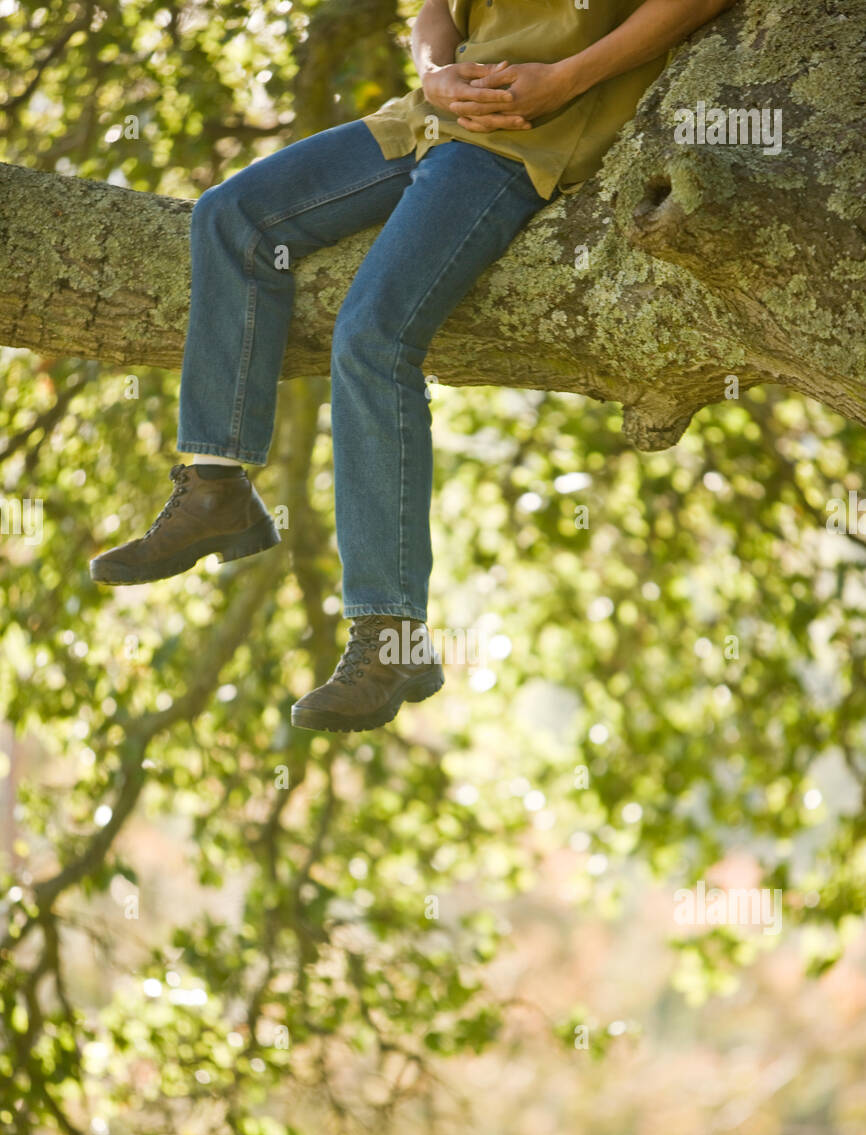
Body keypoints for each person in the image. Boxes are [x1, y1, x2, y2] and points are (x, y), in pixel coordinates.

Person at [90, 0, 736, 732]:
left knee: (370, 336)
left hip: (526, 138)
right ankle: (216, 491)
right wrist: (433, 75)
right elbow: (433, 11)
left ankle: (391, 640)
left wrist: (566, 77)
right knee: (230, 216)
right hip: (423, 121)